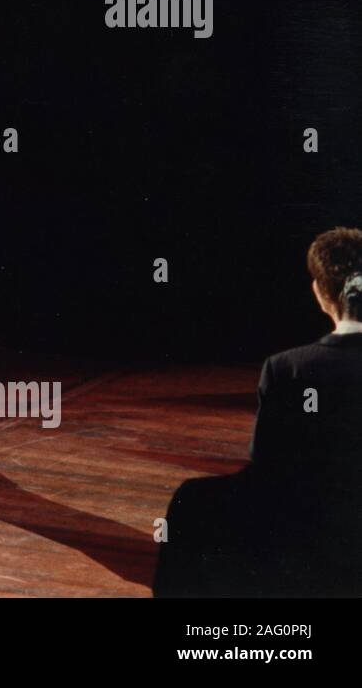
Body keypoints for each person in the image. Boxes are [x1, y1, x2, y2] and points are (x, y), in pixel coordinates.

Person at [154, 226, 362, 596]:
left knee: (193, 501)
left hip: (317, 531)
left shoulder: (288, 367)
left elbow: (266, 460)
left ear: (320, 293)